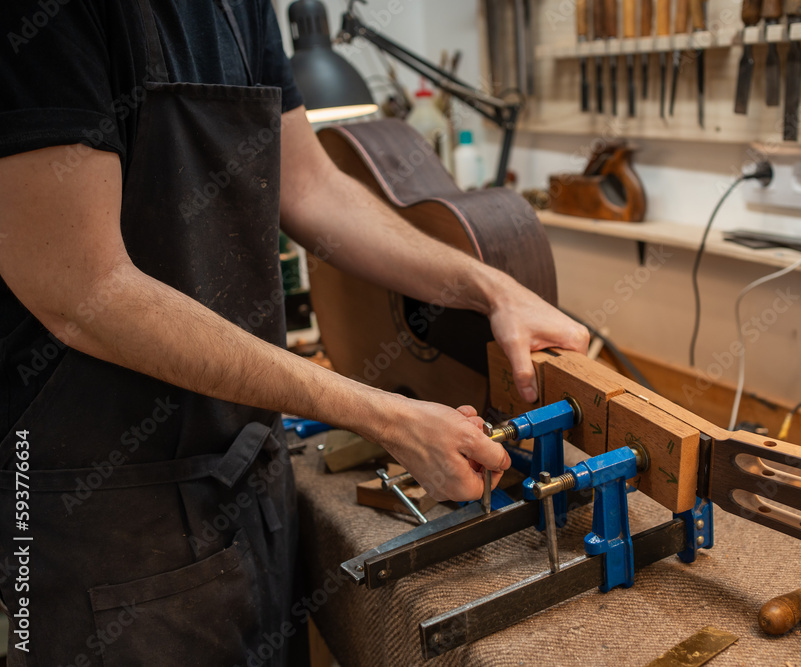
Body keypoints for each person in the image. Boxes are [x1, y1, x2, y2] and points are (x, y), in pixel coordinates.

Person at [0, 0, 588, 663]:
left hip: (244, 475)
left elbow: (313, 190)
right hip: (102, 513)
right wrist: (385, 417)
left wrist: (495, 289)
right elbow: (83, 289)